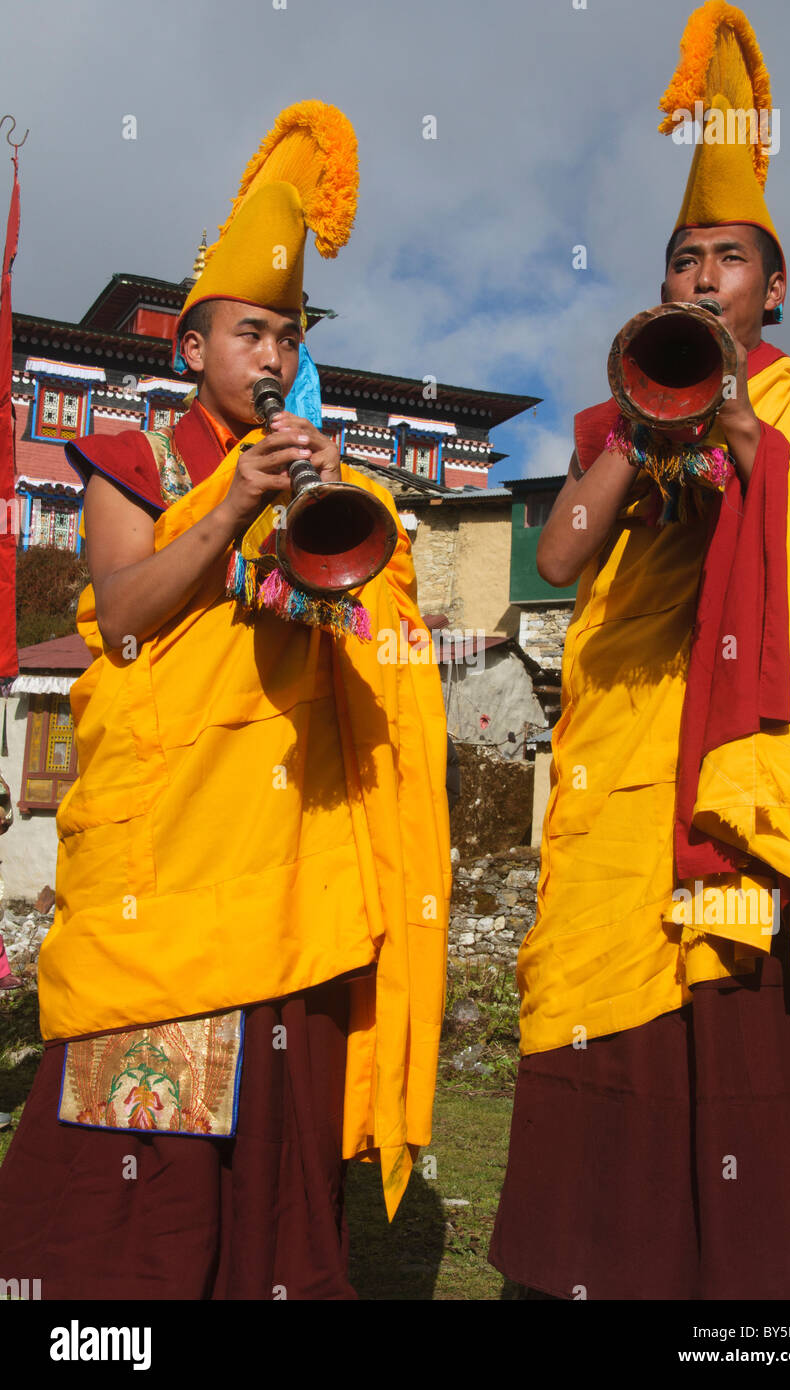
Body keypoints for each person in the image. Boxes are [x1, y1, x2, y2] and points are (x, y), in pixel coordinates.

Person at [0, 101, 451, 1300]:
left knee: (274, 1162)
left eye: (285, 335)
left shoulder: (333, 485)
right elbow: (132, 608)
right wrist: (235, 506)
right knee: (125, 1192)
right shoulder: (129, 464)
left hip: (284, 868)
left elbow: (377, 641)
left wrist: (335, 536)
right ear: (190, 350)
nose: (269, 354)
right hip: (165, 859)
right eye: (247, 332)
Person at [489, 1, 790, 1301]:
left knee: (737, 1059)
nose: (699, 277)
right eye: (680, 258)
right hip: (622, 785)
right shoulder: (625, 403)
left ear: (769, 283)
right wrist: (641, 424)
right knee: (609, 1056)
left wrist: (739, 430)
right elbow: (555, 556)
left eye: (725, 257)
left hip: (739, 790)